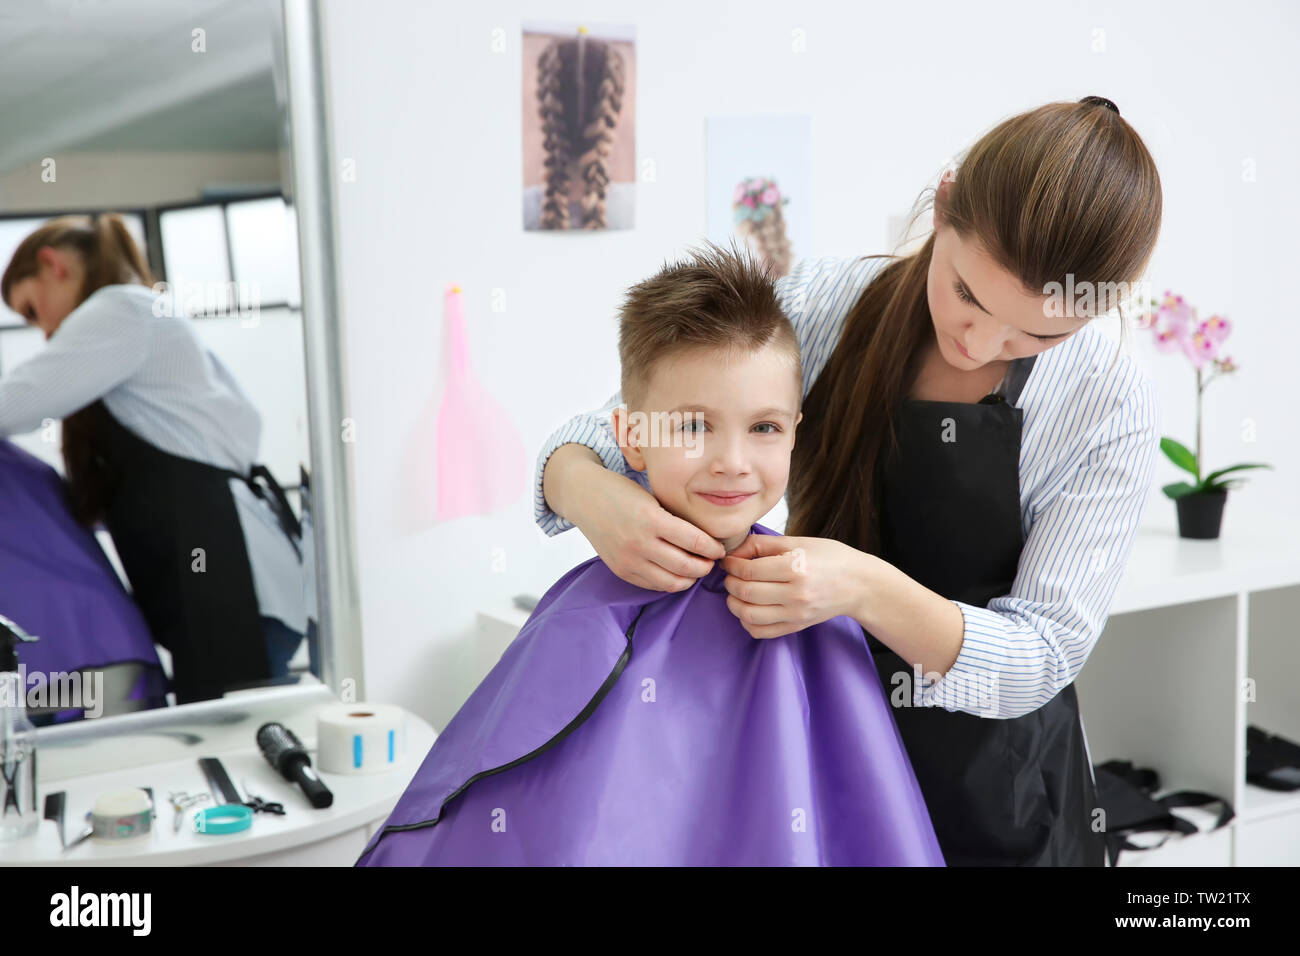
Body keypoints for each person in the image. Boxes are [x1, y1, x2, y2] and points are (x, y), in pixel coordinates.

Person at [532, 96, 1163, 866]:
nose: (981, 341)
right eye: (966, 292)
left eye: (1036, 332)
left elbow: (1043, 655)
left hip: (1002, 798)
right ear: (942, 206)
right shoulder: (826, 304)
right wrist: (586, 490)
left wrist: (864, 587)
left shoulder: (1107, 402)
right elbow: (617, 428)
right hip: (816, 753)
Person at [357, 243, 945, 866]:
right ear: (630, 438)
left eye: (765, 428)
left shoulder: (820, 602)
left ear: (796, 430)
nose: (733, 461)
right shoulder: (589, 614)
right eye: (693, 426)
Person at [0, 212, 317, 703]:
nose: (44, 332)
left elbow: (15, 402)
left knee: (236, 742)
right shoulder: (135, 323)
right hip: (220, 572)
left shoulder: (121, 310)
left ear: (52, 265)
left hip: (226, 573)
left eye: (33, 309)